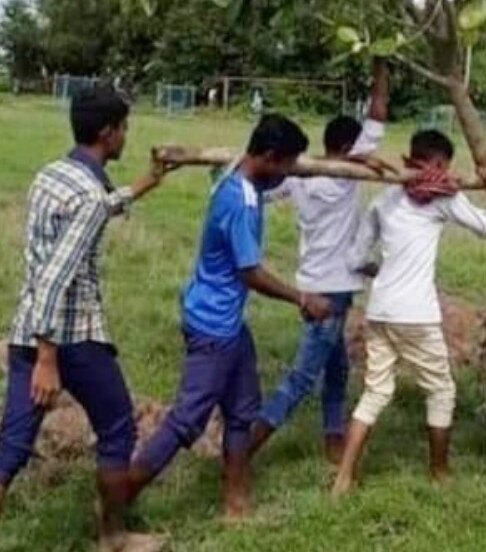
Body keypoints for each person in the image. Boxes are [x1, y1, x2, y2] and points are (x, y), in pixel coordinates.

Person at [0, 86, 173, 552]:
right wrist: (47, 357)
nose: (126, 135)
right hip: (69, 337)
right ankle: (114, 537)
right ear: (107, 132)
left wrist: (147, 182)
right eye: (124, 128)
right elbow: (60, 274)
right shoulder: (87, 195)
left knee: (9, 450)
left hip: (25, 328)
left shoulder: (53, 175)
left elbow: (98, 208)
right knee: (119, 426)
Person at [123, 114, 333, 518]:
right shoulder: (241, 200)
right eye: (286, 165)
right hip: (213, 325)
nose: (288, 174)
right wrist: (302, 298)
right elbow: (249, 272)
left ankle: (235, 498)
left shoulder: (234, 171)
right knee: (188, 419)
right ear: (269, 157)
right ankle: (122, 493)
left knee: (242, 409)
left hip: (227, 322)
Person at [331, 130, 486, 496]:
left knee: (375, 392)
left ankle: (344, 477)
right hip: (417, 315)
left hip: (379, 311)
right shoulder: (443, 198)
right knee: (441, 391)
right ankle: (439, 473)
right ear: (438, 164)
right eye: (444, 166)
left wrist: (382, 272)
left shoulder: (384, 200)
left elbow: (355, 259)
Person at [249, 59, 391, 463]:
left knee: (337, 369)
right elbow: (378, 111)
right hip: (329, 291)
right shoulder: (346, 173)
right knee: (302, 377)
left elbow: (263, 188)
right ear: (349, 149)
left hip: (316, 281)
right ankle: (244, 450)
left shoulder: (297, 175)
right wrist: (380, 62)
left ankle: (332, 437)